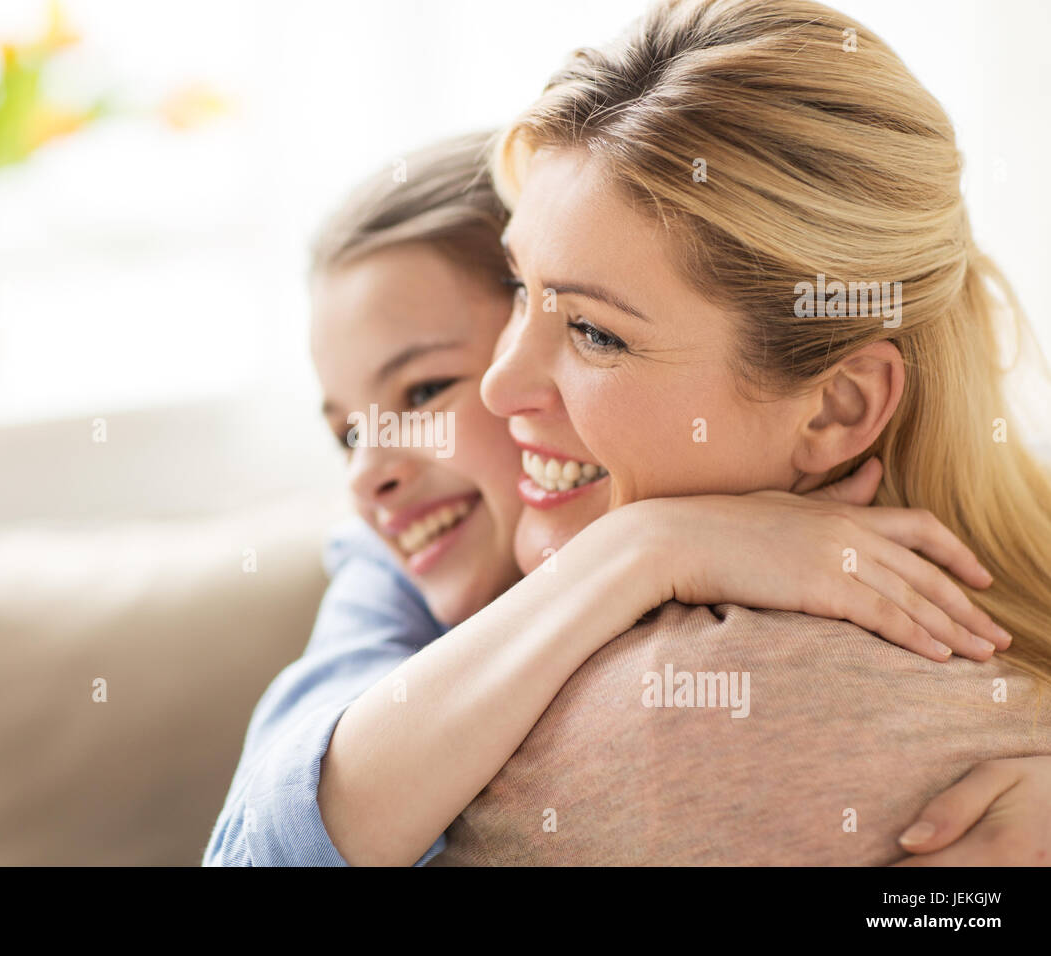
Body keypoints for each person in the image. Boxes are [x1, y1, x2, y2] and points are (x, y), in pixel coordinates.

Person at [204, 129, 1047, 866]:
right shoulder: (384, 574)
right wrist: (646, 547)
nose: (367, 475)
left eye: (425, 391)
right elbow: (262, 849)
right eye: (347, 433)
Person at [432, 0, 1051, 865]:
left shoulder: (693, 710)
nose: (500, 386)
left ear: (836, 408)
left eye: (595, 332)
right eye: (519, 289)